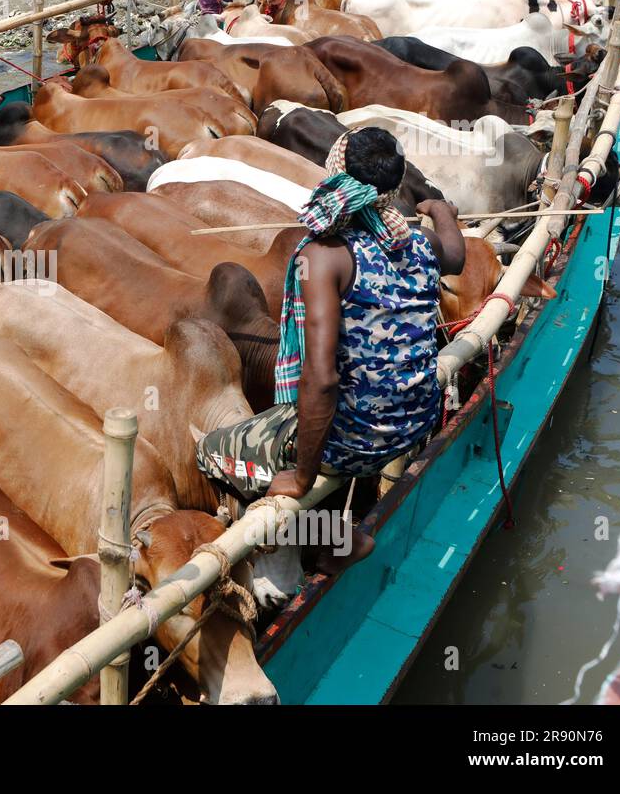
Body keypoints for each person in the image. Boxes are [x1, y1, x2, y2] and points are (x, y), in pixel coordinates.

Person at [196, 128, 465, 575]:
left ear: (336, 179)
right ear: (395, 188)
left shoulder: (325, 256)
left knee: (209, 450)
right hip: (417, 424)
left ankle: (313, 543)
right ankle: (330, 541)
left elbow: (321, 379)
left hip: (355, 440)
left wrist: (302, 477)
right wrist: (440, 210)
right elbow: (456, 256)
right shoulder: (422, 243)